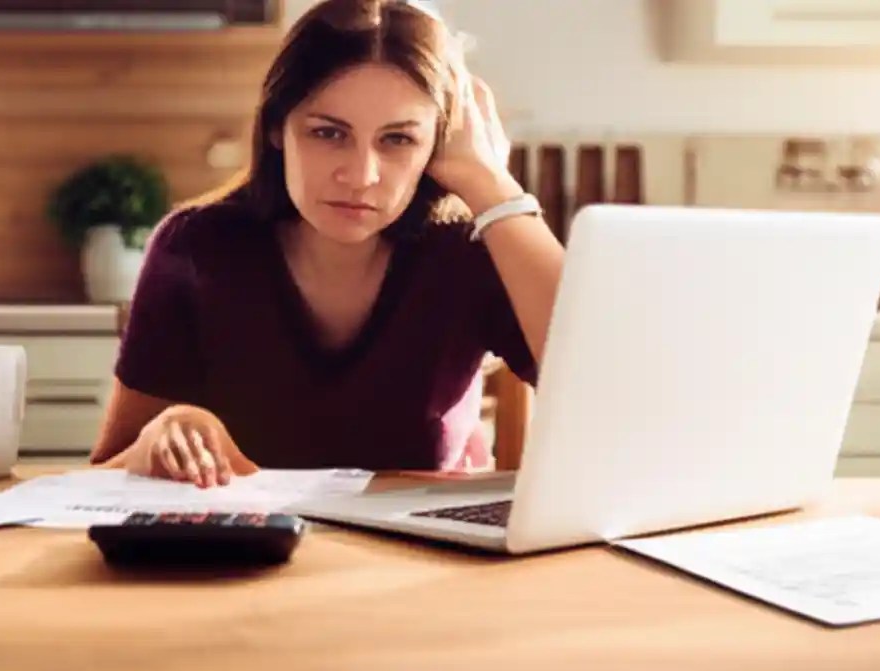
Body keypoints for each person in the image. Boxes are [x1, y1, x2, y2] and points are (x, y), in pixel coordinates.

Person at [91, 0, 564, 486]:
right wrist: (156, 439)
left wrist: (493, 185)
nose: (361, 176)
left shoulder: (468, 252)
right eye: (328, 133)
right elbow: (98, 476)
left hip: (423, 557)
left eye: (398, 140)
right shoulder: (195, 247)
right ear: (278, 127)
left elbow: (611, 396)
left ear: (438, 145)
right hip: (247, 558)